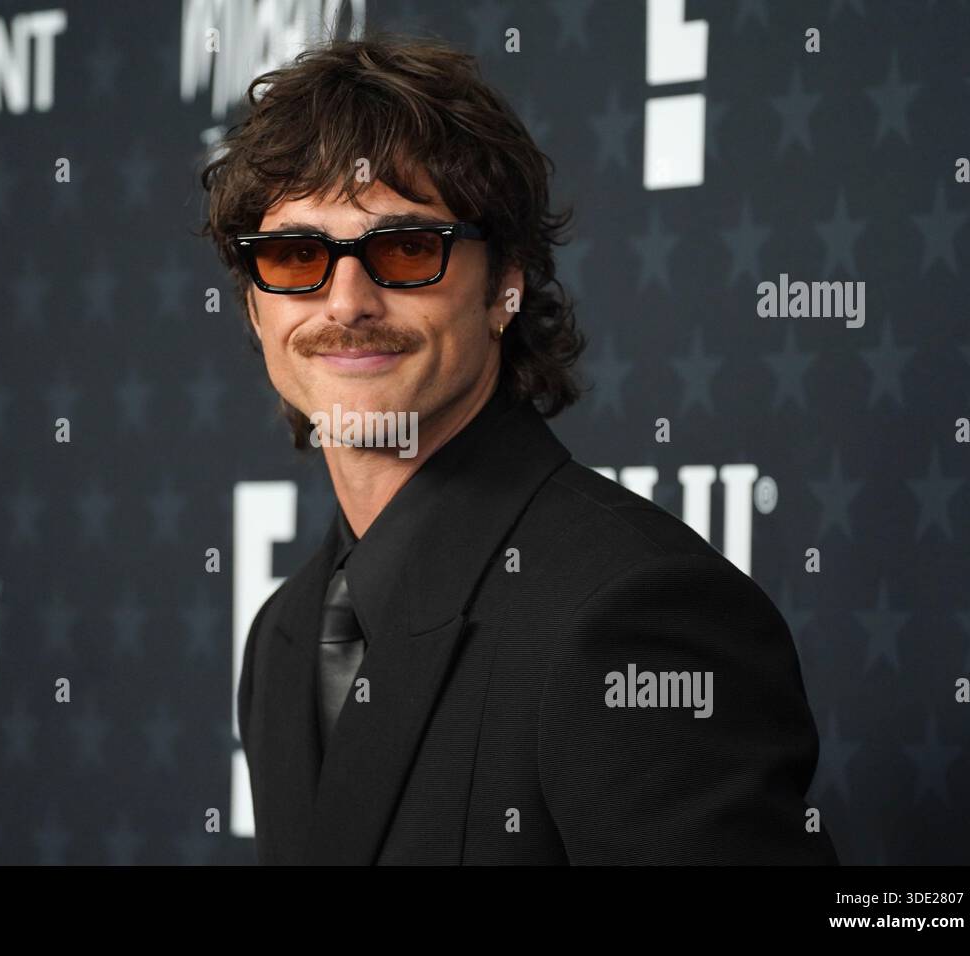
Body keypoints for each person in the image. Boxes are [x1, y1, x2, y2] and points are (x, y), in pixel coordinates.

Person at [201, 32, 837, 865]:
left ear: (506, 285)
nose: (346, 300)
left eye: (404, 249)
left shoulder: (629, 613)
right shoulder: (282, 634)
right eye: (295, 255)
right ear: (256, 309)